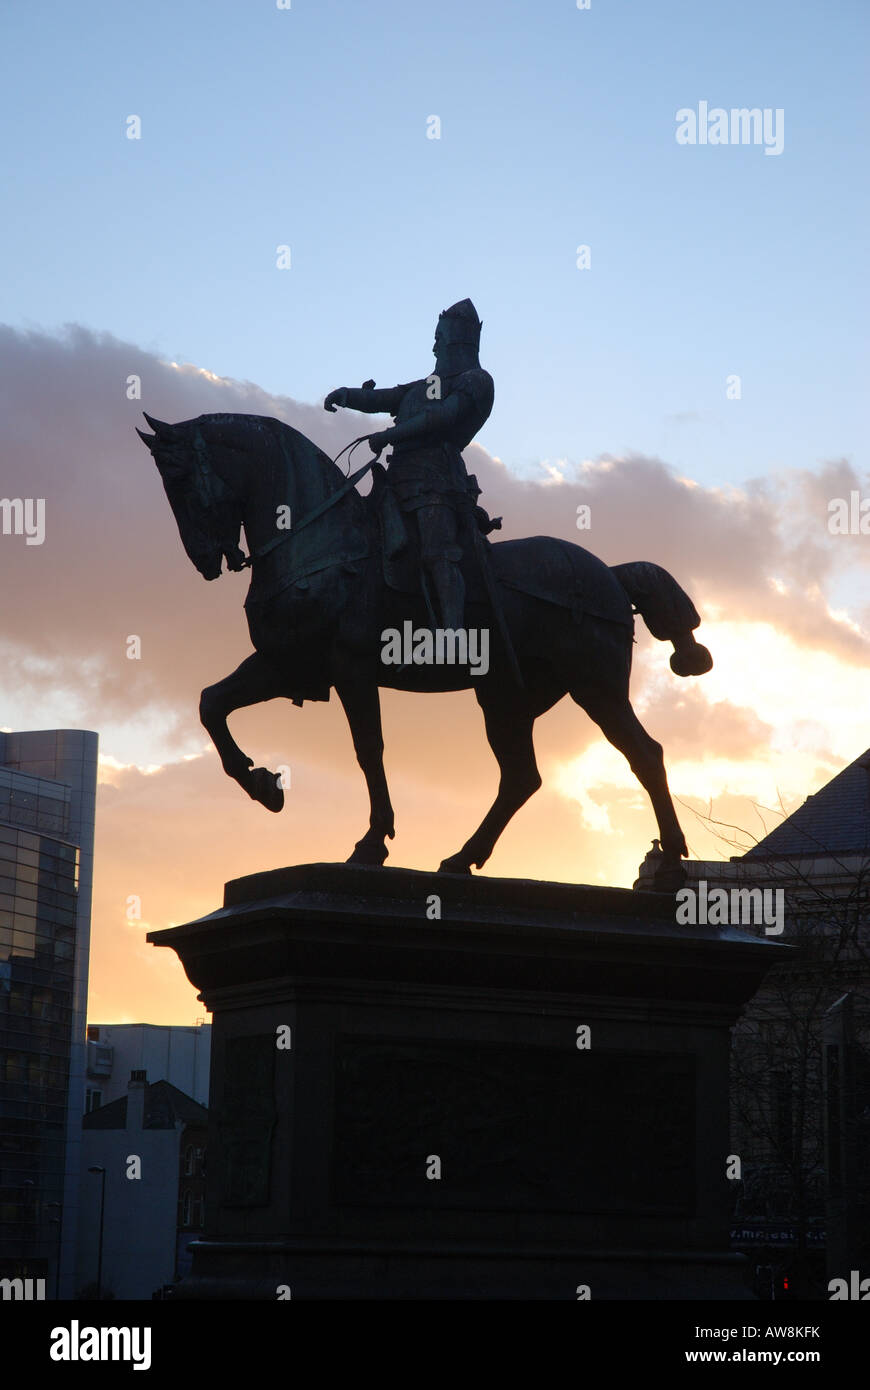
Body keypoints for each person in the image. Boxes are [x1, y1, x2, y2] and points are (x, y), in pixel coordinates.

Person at [324, 299, 494, 629]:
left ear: (455, 341)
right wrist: (346, 395)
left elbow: (443, 417)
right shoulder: (423, 387)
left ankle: (453, 633)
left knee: (437, 550)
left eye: (439, 338)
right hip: (397, 479)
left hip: (438, 482)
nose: (434, 346)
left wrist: (391, 435)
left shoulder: (477, 380)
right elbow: (382, 398)